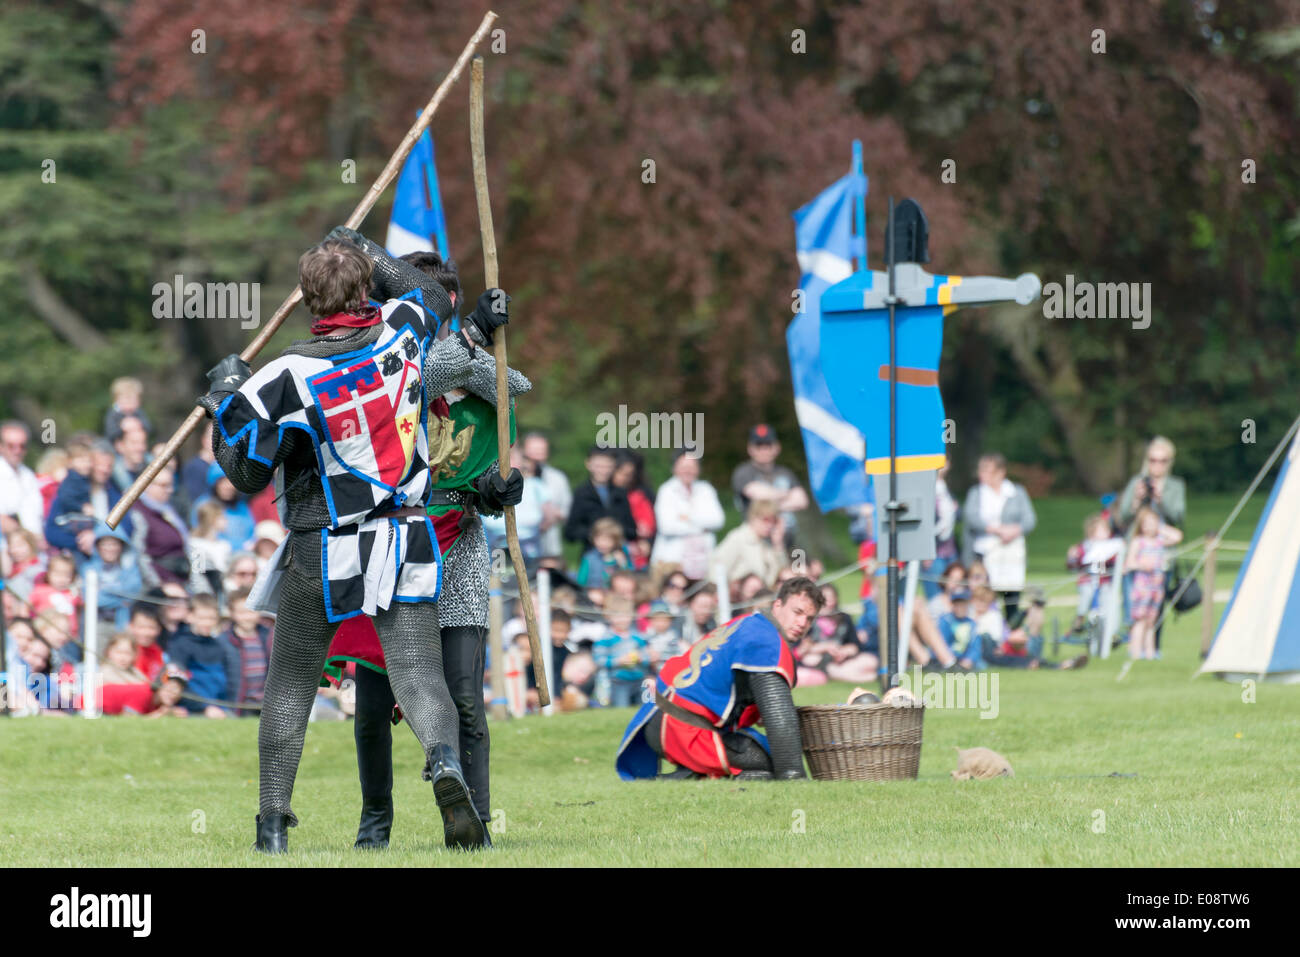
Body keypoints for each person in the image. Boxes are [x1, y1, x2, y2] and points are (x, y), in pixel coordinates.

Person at [200, 237, 498, 852]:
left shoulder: (285, 375)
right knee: (419, 675)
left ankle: (273, 828)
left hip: (323, 543)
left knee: (288, 687)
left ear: (307, 298)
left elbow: (248, 473)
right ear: (369, 290)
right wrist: (364, 246)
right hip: (405, 532)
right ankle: (443, 762)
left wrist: (224, 402)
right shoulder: (405, 330)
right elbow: (432, 294)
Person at [316, 238, 529, 851]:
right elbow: (400, 385)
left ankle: (474, 825)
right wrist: (466, 342)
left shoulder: (459, 358)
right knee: (375, 702)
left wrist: (493, 488)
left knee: (465, 698)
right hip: (388, 541)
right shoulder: (372, 362)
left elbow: (517, 386)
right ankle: (373, 827)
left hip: (457, 544)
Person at [616, 576, 823, 781]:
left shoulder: (749, 623)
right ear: (778, 605)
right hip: (681, 727)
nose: (802, 623)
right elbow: (780, 718)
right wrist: (792, 775)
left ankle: (698, 774)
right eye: (797, 612)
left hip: (662, 715)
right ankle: (681, 778)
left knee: (766, 751)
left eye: (809, 618)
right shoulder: (766, 640)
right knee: (770, 760)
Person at [961, 452, 1037, 620]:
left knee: (1011, 595)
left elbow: (1029, 520)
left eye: (987, 470)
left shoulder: (1016, 492)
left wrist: (1013, 531)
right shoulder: (976, 492)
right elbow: (971, 517)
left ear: (1001, 472)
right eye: (981, 470)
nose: (982, 474)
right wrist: (997, 530)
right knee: (986, 595)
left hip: (1011, 553)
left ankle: (1012, 631)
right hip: (983, 552)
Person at [44, 439, 131, 560]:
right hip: (76, 559)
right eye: (100, 464)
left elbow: (127, 526)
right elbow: (51, 532)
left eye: (109, 466)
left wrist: (98, 536)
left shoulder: (114, 494)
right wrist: (80, 541)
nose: (104, 470)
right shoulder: (70, 493)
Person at [730, 424, 808, 551]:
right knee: (776, 571)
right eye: (759, 446)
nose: (764, 450)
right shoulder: (743, 472)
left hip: (791, 539)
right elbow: (757, 494)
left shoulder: (786, 472)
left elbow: (802, 501)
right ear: (750, 449)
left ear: (777, 448)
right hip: (758, 543)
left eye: (768, 445)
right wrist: (787, 495)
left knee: (809, 569)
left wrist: (768, 503)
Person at [649, 450, 725, 581]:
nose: (687, 471)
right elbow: (667, 527)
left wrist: (688, 518)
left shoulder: (706, 489)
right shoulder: (667, 490)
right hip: (672, 564)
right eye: (683, 466)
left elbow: (718, 520)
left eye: (692, 466)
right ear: (674, 468)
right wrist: (703, 528)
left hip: (703, 563)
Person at [1125, 507, 1176, 661]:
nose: (1149, 526)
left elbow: (1176, 536)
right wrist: (1142, 565)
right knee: (1140, 620)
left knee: (1151, 621)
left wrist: (1159, 527)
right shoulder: (1138, 542)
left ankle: (1150, 652)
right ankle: (1135, 652)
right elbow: (1130, 563)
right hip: (1143, 587)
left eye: (1152, 523)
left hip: (1156, 586)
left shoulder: (1160, 541)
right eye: (1146, 523)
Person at [128, 468, 190, 591]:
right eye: (164, 485)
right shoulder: (139, 512)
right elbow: (139, 554)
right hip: (159, 586)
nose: (170, 490)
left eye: (171, 485)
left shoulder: (169, 510)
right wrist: (159, 587)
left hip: (181, 581)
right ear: (147, 485)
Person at [563, 446, 636, 547]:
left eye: (607, 466)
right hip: (592, 554)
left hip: (618, 554)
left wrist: (614, 532)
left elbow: (631, 530)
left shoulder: (620, 493)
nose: (603, 471)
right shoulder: (582, 493)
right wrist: (596, 534)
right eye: (599, 466)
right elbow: (570, 532)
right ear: (588, 464)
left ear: (614, 466)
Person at [711, 499, 787, 588]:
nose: (770, 525)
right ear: (753, 517)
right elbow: (716, 571)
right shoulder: (738, 538)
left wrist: (778, 544)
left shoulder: (766, 545)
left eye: (773, 521)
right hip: (740, 599)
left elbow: (781, 574)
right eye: (765, 520)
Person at [221, 588, 272, 715]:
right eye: (242, 612)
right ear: (232, 613)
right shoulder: (224, 640)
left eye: (252, 612)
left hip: (264, 704)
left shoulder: (268, 636)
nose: (247, 617)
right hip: (238, 703)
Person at [522, 432, 571, 559]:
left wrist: (554, 515)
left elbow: (568, 510)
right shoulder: (515, 479)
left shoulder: (558, 478)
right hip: (522, 545)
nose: (537, 455)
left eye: (541, 450)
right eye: (533, 450)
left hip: (550, 546)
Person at [0, 420, 45, 539]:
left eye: (22, 446)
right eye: (11, 446)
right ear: (1, 446)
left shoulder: (28, 475)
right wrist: (30, 539)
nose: (17, 451)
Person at [612, 450, 656, 569]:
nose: (626, 478)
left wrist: (648, 541)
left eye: (629, 474)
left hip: (642, 553)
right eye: (622, 473)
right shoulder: (609, 494)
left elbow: (654, 524)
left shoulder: (643, 493)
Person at [576, 517, 632, 589]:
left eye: (607, 540)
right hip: (593, 594)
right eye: (599, 539)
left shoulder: (619, 558)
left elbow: (628, 579)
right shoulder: (589, 558)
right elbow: (581, 581)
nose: (603, 543)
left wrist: (623, 564)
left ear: (616, 541)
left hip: (614, 596)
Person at [104, 377, 153, 441]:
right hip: (116, 448)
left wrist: (138, 424)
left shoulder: (139, 412)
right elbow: (110, 434)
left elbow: (149, 428)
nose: (129, 404)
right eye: (126, 400)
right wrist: (122, 428)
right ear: (116, 400)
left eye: (133, 400)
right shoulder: (113, 414)